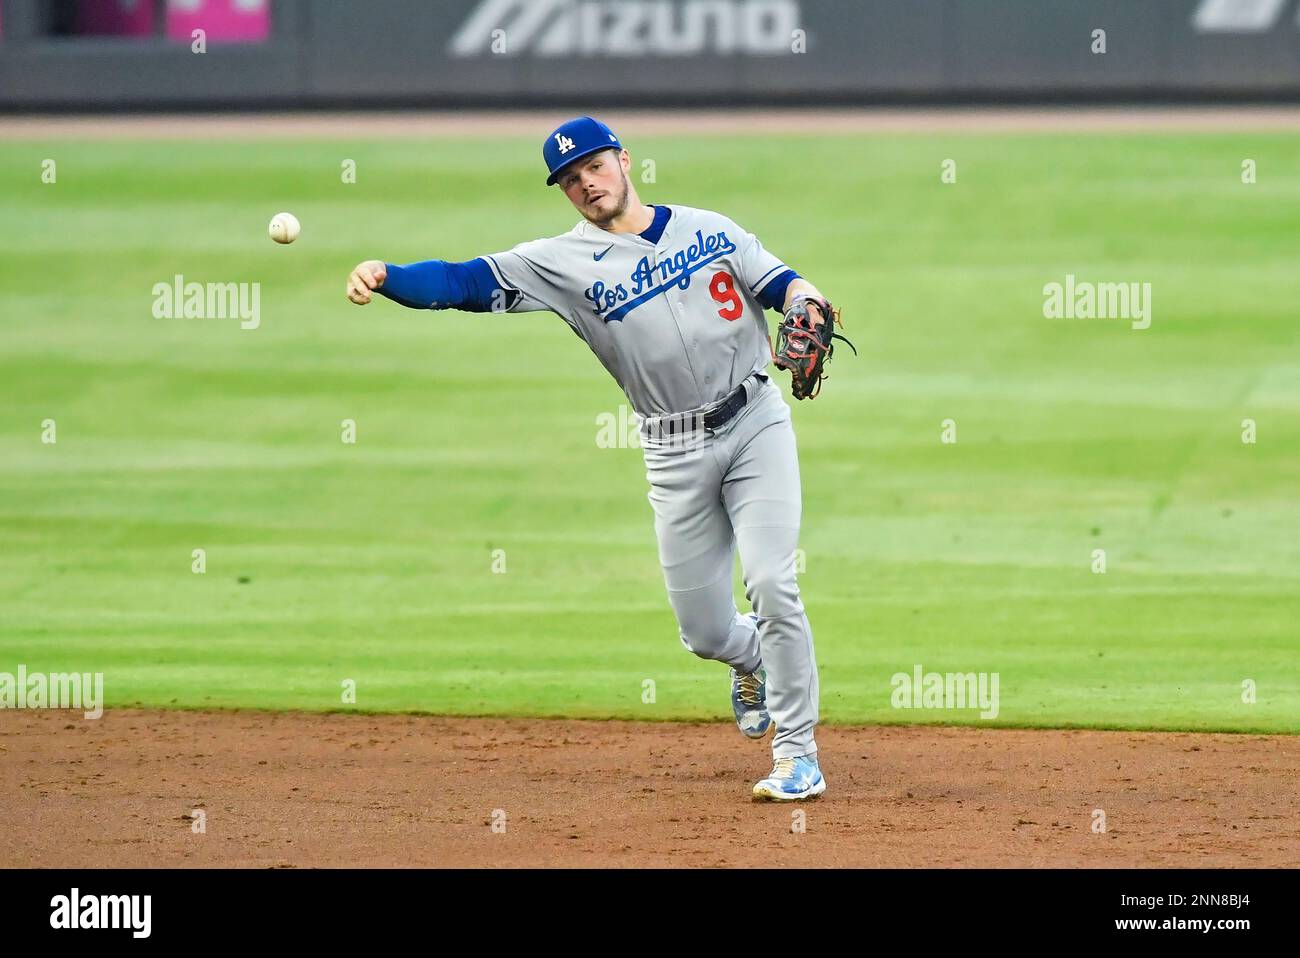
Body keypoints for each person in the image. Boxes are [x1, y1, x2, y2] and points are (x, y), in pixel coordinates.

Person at [346, 116, 832, 800]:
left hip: (756, 424)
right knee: (703, 630)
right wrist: (388, 275)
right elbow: (463, 282)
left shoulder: (709, 228)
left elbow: (785, 286)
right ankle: (752, 658)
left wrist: (808, 301)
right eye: (571, 180)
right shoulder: (560, 262)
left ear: (625, 161)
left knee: (774, 583)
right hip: (673, 450)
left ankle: (796, 755)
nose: (586, 184)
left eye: (595, 168)